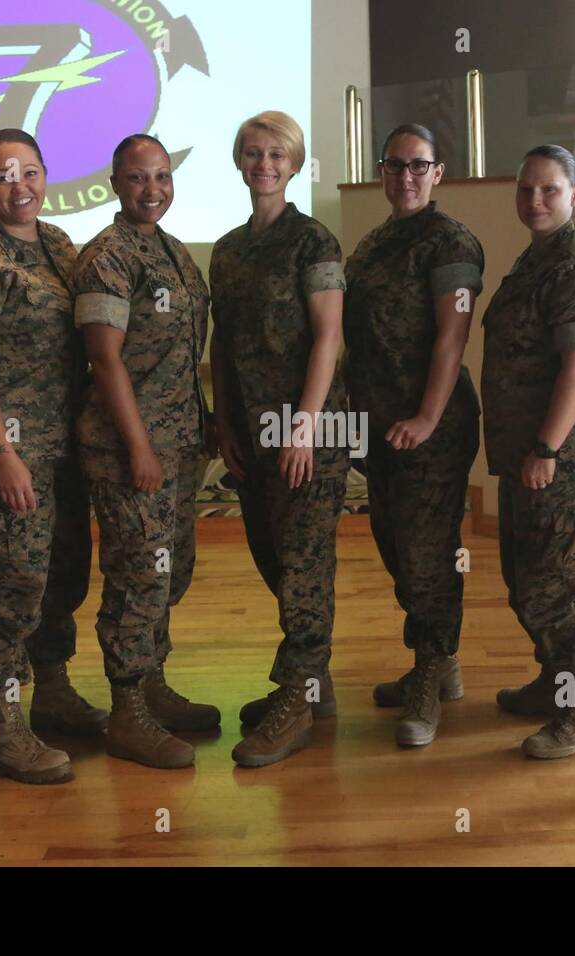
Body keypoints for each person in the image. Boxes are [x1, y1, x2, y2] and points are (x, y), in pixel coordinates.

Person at [0, 129, 104, 786]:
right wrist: (5, 456)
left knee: (62, 573)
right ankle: (4, 725)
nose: (21, 186)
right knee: (15, 585)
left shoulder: (59, 246)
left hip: (61, 443)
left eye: (30, 172)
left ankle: (53, 691)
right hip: (4, 450)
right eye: (5, 175)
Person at [72, 133, 219, 770]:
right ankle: (127, 711)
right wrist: (139, 447)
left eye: (161, 176)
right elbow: (104, 360)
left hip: (180, 443)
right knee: (139, 577)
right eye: (138, 178)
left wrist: (203, 421)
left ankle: (153, 685)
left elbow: (181, 354)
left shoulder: (175, 254)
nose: (152, 189)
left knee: (169, 573)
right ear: (114, 182)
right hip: (131, 450)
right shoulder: (108, 257)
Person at [210, 111, 347, 767]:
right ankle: (311, 683)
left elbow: (327, 336)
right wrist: (226, 424)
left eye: (276, 154)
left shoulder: (312, 241)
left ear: (294, 165)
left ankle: (297, 699)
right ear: (240, 161)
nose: (263, 163)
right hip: (252, 437)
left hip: (306, 434)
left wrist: (305, 426)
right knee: (274, 561)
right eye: (253, 152)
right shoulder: (229, 249)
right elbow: (224, 342)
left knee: (303, 570)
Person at [343, 124, 482, 747]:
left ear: (438, 172)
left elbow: (453, 337)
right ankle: (439, 662)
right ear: (382, 171)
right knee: (395, 545)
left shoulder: (449, 242)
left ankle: (430, 671)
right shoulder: (372, 246)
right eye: (394, 165)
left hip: (433, 427)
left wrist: (426, 417)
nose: (405, 177)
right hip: (378, 426)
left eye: (418, 166)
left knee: (428, 554)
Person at [482, 145, 575, 759]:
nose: (534, 201)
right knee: (526, 576)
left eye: (549, 191)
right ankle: (555, 682)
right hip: (526, 456)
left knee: (559, 582)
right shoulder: (536, 260)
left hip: (558, 458)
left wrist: (545, 448)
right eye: (526, 190)